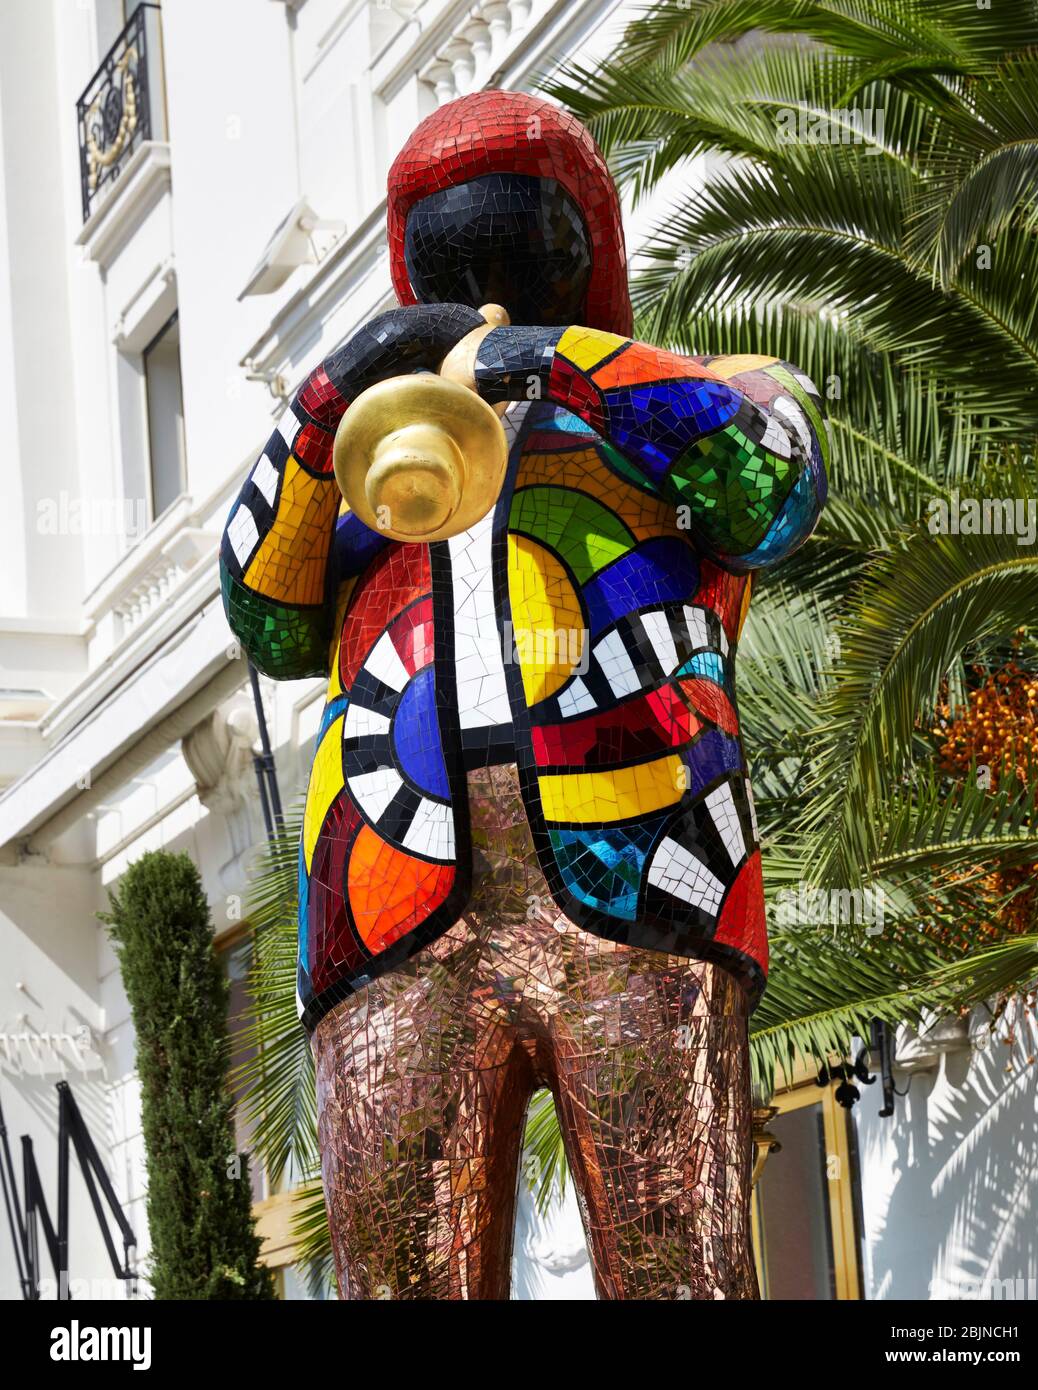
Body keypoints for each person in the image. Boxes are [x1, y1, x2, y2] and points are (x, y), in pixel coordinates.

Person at [220, 90, 827, 1299]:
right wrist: (325, 403)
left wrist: (554, 360)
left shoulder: (678, 394)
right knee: (398, 1277)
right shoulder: (370, 469)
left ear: (583, 238)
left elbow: (776, 480)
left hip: (646, 878)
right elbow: (263, 615)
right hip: (393, 905)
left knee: (677, 1269)